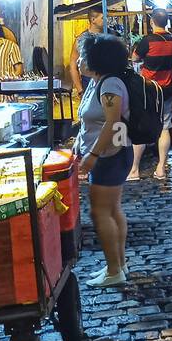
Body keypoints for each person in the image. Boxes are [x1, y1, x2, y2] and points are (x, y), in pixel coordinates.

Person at [73, 34, 134, 287]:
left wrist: (94, 154)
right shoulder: (97, 83)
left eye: (83, 57)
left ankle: (113, 270)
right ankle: (118, 265)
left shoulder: (110, 85)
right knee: (112, 210)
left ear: (98, 60)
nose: (79, 62)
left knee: (100, 213)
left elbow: (113, 123)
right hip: (109, 155)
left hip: (111, 156)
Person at [130, 8, 172, 181]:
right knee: (165, 127)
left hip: (148, 90)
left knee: (141, 127)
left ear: (152, 21)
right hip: (166, 90)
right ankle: (161, 168)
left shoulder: (148, 41)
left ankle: (135, 170)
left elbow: (135, 58)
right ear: (166, 21)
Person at [70, 8, 106, 97]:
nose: (106, 20)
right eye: (102, 18)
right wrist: (80, 90)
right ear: (93, 20)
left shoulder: (109, 36)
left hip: (107, 81)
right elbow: (73, 66)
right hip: (89, 83)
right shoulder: (81, 40)